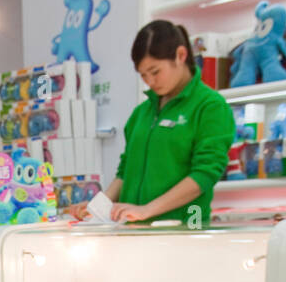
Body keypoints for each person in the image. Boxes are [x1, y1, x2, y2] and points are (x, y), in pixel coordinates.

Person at [71, 21, 234, 226]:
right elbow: (125, 172)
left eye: (155, 71)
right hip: (132, 232)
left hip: (184, 229)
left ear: (181, 56)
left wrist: (148, 210)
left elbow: (204, 175)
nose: (150, 81)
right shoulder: (141, 113)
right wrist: (97, 207)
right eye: (143, 75)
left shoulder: (210, 107)